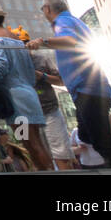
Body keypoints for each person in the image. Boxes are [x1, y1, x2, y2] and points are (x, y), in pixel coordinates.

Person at [29, 0, 111, 167]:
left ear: (47, 8)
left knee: (101, 141)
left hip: (88, 90)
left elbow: (69, 40)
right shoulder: (76, 21)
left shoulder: (62, 22)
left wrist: (43, 42)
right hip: (91, 89)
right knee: (86, 135)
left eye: (43, 9)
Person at [0, 2, 52, 172]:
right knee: (37, 142)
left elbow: (1, 68)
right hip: (29, 95)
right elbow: (29, 71)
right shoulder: (17, 39)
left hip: (15, 99)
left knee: (28, 142)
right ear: (3, 18)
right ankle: (48, 170)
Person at [19, 28, 76, 170]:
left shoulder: (42, 58)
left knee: (61, 154)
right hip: (24, 116)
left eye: (24, 44)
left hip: (50, 110)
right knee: (32, 154)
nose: (23, 49)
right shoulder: (13, 64)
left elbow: (61, 81)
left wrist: (42, 76)